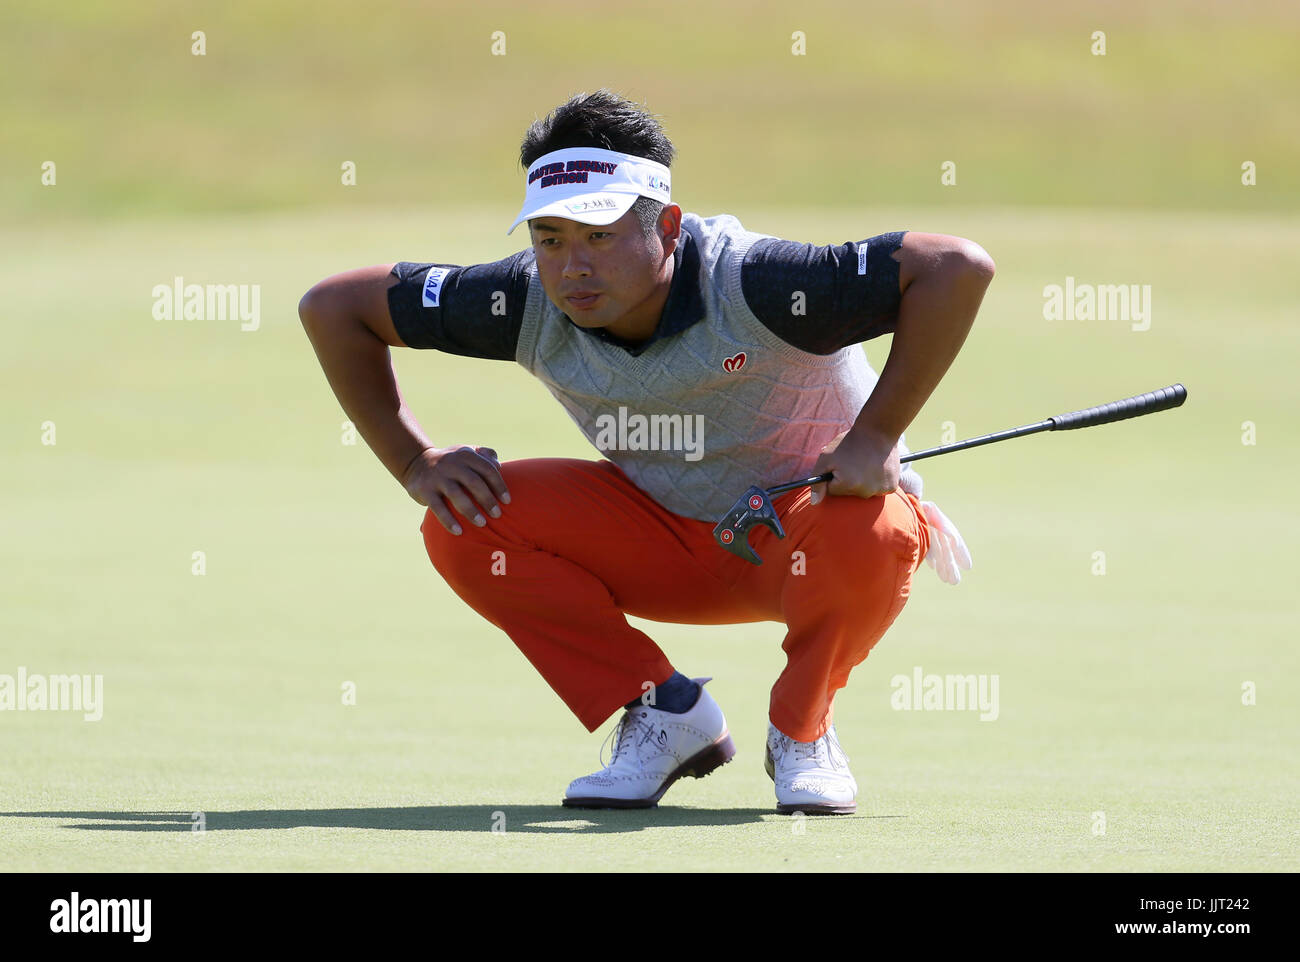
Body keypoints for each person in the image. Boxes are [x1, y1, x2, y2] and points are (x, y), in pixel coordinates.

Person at [298, 89, 992, 815]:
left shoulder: (762, 282)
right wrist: (415, 462)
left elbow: (954, 266)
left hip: (804, 540)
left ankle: (802, 732)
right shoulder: (524, 297)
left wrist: (875, 438)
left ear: (665, 225)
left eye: (599, 236)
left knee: (876, 524)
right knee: (464, 519)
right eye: (550, 238)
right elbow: (334, 308)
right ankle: (663, 712)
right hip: (661, 544)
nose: (572, 268)